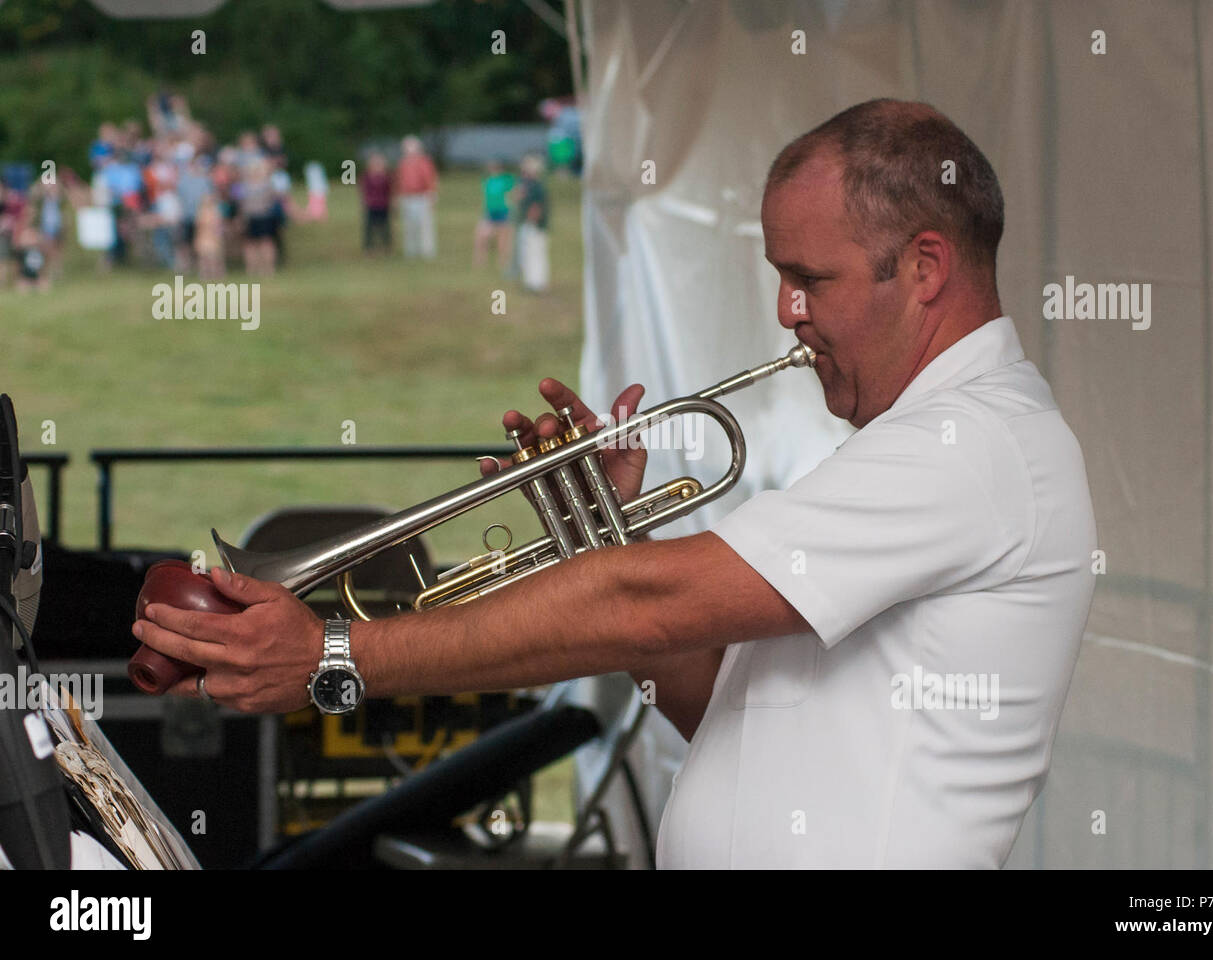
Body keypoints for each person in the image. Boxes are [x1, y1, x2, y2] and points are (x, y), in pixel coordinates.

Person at [135, 100, 1097, 869]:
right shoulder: (921, 442)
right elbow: (711, 702)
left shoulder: (973, 442)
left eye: (811, 279)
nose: (785, 311)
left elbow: (645, 608)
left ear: (925, 266)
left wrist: (337, 657)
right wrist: (605, 541)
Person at [394, 135, 439, 260]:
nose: (409, 151)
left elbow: (431, 179)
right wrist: (398, 197)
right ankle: (411, 251)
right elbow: (399, 181)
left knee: (425, 225)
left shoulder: (425, 162)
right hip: (407, 197)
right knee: (409, 226)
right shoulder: (402, 164)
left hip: (422, 196)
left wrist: (432, 195)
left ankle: (427, 251)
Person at [513, 153, 550, 292]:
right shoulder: (527, 184)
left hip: (534, 225)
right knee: (530, 255)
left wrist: (531, 222)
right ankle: (531, 281)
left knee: (535, 254)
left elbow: (536, 207)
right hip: (531, 224)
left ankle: (537, 282)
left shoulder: (536, 186)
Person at [473, 159, 514, 270]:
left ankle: (503, 263)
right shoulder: (487, 181)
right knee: (481, 237)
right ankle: (480, 262)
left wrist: (511, 205)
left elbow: (512, 193)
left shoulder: (507, 180)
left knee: (502, 240)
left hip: (503, 212)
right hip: (490, 212)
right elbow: (485, 197)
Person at [360, 151, 392, 253]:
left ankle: (386, 246)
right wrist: (365, 202)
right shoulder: (367, 176)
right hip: (372, 205)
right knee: (369, 228)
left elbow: (389, 190)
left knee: (384, 227)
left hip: (383, 205)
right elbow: (364, 190)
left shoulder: (386, 177)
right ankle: (369, 248)